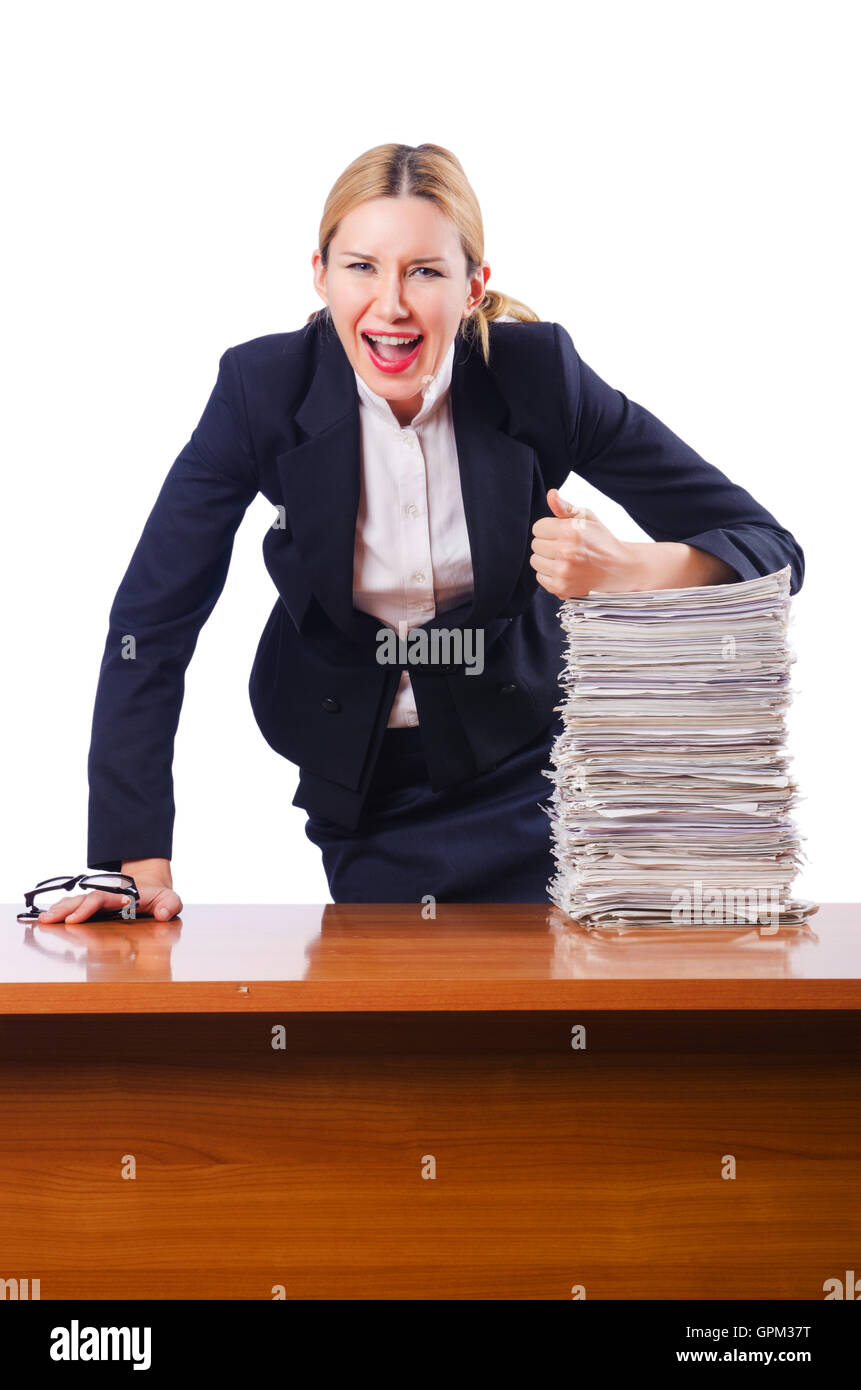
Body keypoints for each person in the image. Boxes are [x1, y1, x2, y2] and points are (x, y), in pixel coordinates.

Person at [39, 141, 804, 923]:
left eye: (426, 271)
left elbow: (766, 548)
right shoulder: (261, 391)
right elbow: (153, 621)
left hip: (532, 770)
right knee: (411, 1020)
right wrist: (134, 863)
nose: (392, 304)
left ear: (474, 287)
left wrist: (629, 568)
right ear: (320, 274)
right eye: (362, 267)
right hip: (361, 780)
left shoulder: (539, 377)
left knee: (580, 1018)